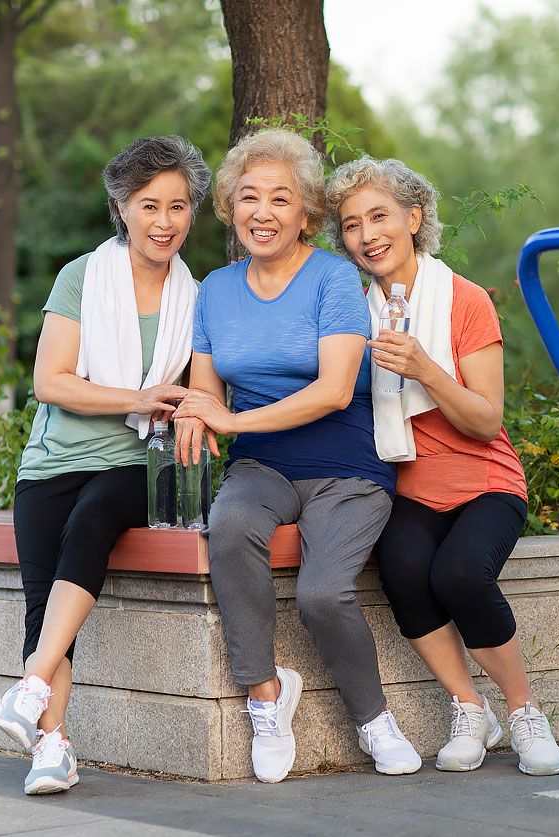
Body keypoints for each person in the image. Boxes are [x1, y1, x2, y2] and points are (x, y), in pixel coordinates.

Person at [171, 129, 419, 783]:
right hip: (261, 464)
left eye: (280, 198)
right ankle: (264, 696)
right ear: (230, 207)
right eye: (248, 197)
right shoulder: (216, 290)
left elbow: (336, 388)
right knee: (228, 527)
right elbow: (205, 387)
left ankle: (373, 719)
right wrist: (197, 414)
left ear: (306, 213)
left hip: (347, 465)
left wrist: (228, 415)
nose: (262, 211)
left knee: (320, 592)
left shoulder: (334, 277)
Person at [325, 157, 559, 776]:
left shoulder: (466, 300)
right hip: (404, 482)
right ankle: (469, 708)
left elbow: (487, 421)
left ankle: (523, 711)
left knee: (460, 573)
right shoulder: (347, 306)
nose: (367, 234)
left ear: (414, 217)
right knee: (404, 568)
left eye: (380, 216)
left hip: (485, 479)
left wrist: (427, 368)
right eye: (351, 225)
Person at [0, 136, 211, 794]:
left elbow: (202, 394)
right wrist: (136, 396)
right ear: (121, 207)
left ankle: (30, 689)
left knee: (89, 525)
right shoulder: (82, 277)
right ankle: (53, 745)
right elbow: (50, 381)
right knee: (42, 606)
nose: (165, 221)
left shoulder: (196, 300)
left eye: (178, 206)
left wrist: (195, 413)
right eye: (149, 205)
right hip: (52, 461)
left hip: (131, 464)